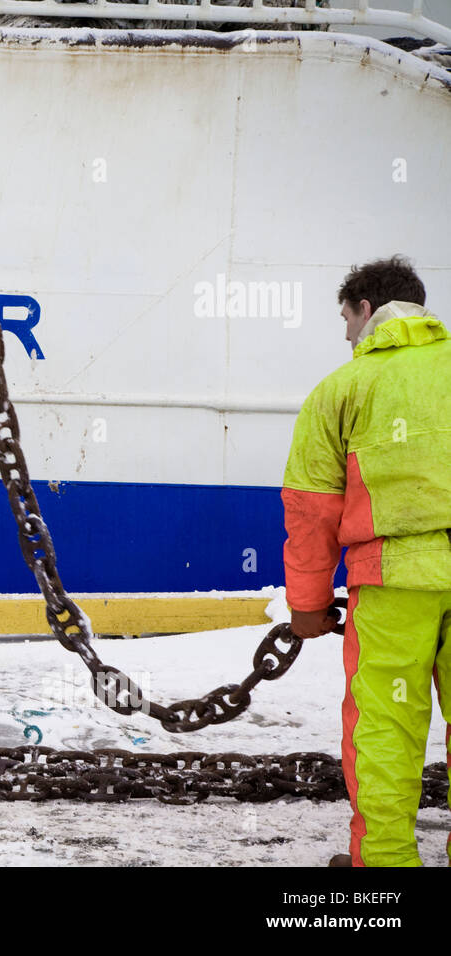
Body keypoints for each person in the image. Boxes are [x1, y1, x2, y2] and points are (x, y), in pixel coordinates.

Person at [281, 255, 451, 866]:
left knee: (385, 730)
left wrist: (306, 605)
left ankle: (384, 874)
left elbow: (312, 512)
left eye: (345, 319)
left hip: (392, 582)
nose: (346, 335)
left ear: (364, 308)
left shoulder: (343, 390)